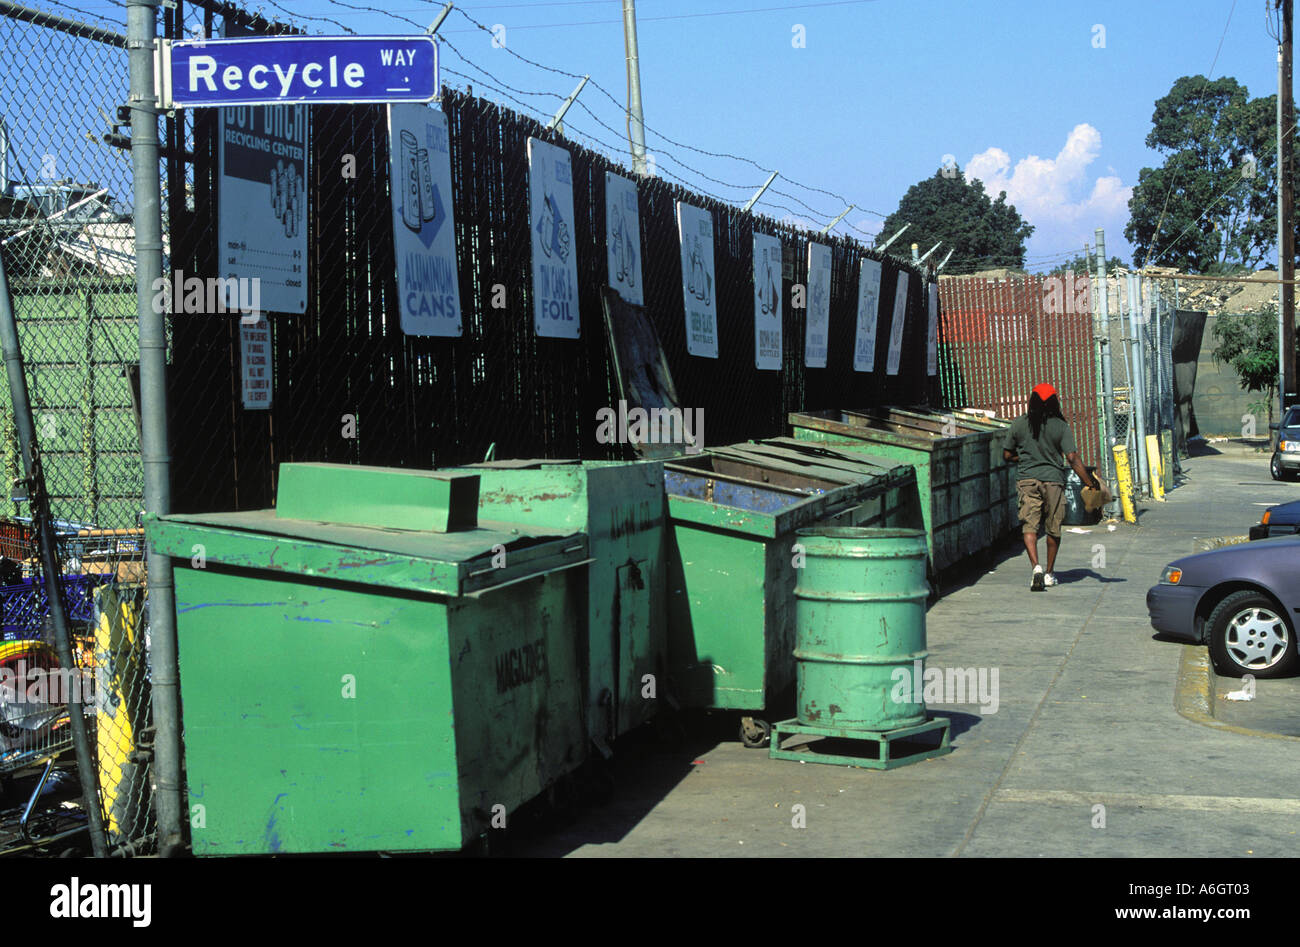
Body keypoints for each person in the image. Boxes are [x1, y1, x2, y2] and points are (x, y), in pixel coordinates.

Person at [1001, 383, 1101, 591]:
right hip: (1054, 481)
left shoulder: (1019, 424)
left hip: (1027, 479)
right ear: (1055, 402)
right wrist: (1090, 482)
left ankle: (1035, 567)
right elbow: (1072, 458)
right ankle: (1049, 573)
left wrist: (1027, 457)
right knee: (1053, 527)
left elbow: (1007, 455)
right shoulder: (1061, 426)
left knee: (1029, 525)